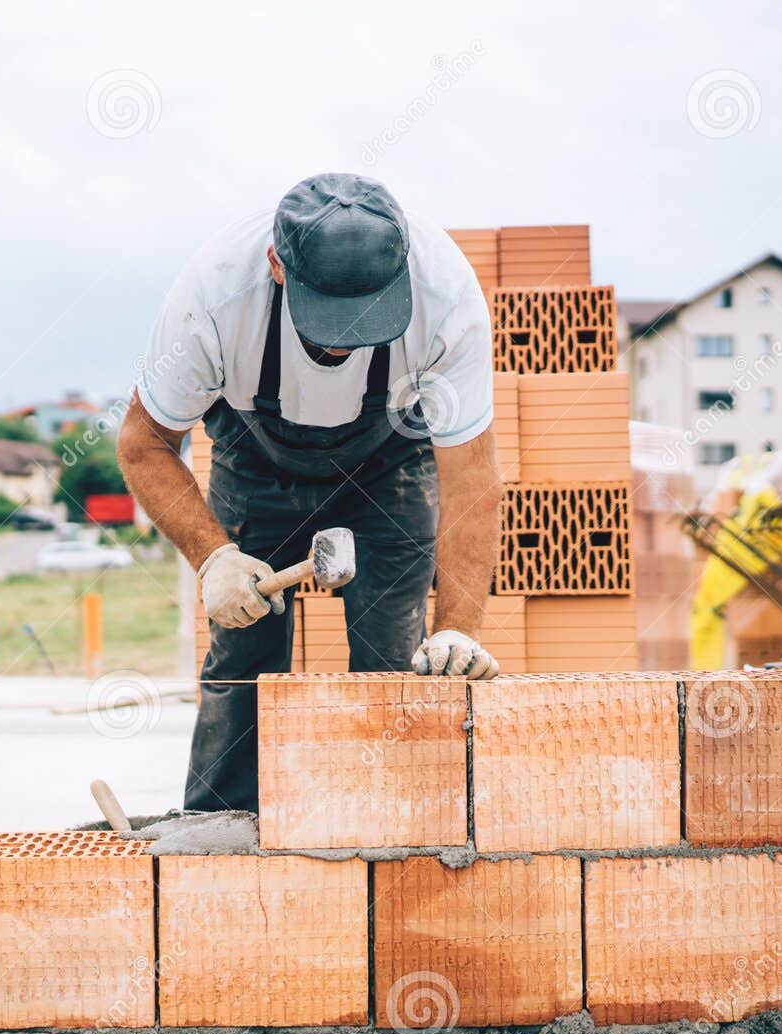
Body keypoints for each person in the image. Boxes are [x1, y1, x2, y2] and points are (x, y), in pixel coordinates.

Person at [117, 173, 500, 813]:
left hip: (389, 460)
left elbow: (472, 480)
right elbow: (142, 441)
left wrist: (458, 631)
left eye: (369, 319)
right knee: (245, 656)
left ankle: (392, 833)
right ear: (276, 266)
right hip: (255, 457)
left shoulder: (447, 299)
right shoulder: (211, 296)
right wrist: (215, 557)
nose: (346, 340)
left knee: (395, 666)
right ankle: (222, 832)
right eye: (328, 321)